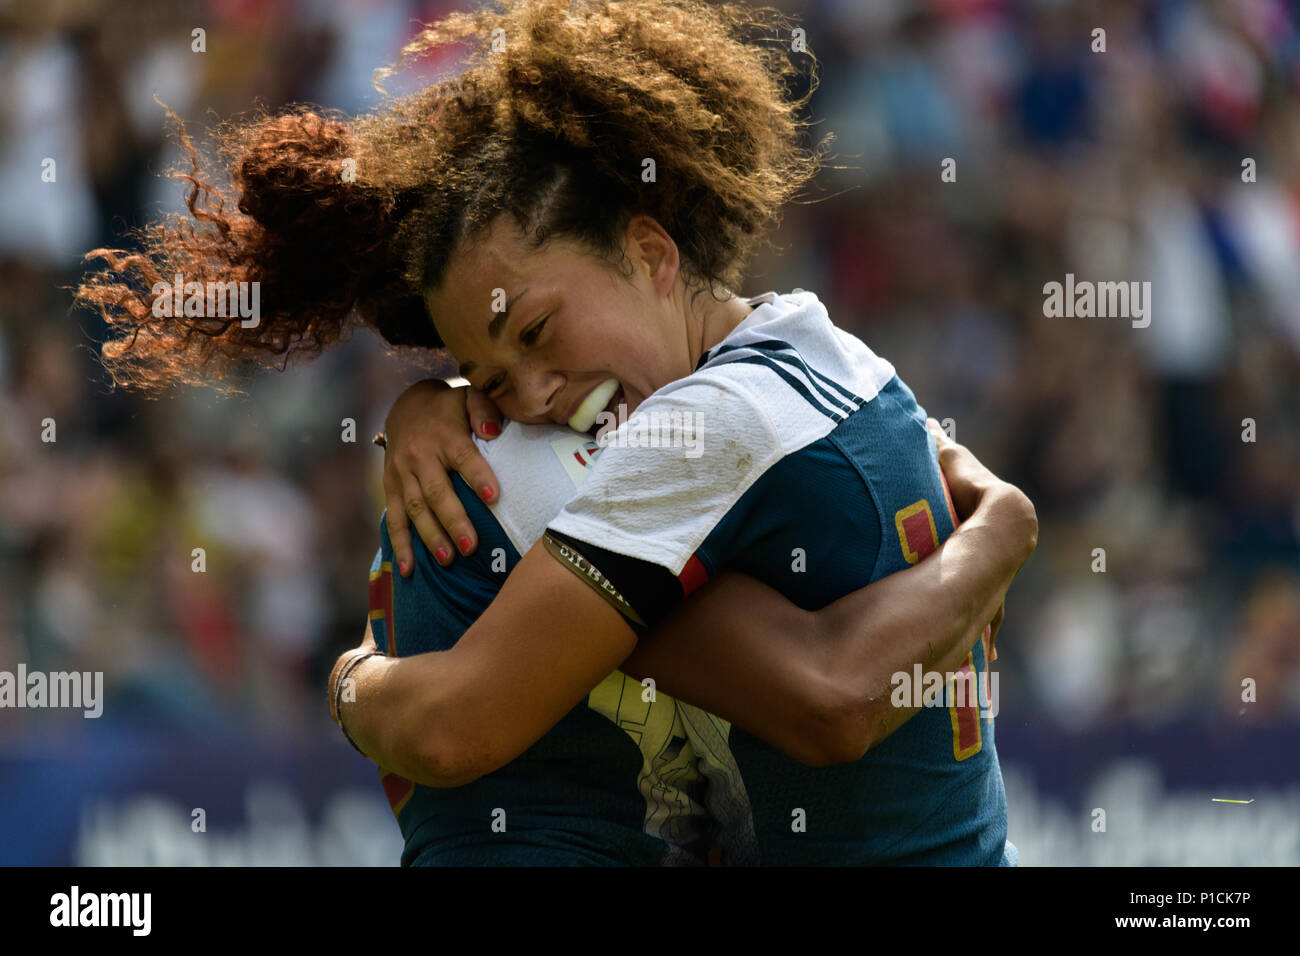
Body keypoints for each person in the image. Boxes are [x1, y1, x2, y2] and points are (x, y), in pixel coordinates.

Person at [75, 0, 1037, 863]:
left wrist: (350, 682)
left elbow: (462, 728)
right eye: (489, 377)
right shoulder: (833, 353)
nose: (531, 398)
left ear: (650, 250)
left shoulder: (687, 438)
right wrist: (427, 403)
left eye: (536, 331)